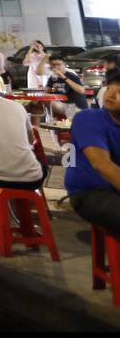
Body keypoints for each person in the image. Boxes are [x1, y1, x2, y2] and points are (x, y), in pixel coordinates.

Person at [65, 75, 120, 237]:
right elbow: (102, 165)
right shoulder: (89, 118)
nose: (110, 95)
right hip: (90, 193)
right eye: (109, 89)